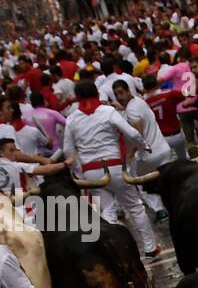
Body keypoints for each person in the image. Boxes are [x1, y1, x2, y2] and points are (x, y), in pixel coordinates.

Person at [63, 79, 158, 257]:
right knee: (135, 207)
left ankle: (117, 251)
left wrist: (80, 170)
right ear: (97, 94)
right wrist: (144, 145)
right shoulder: (107, 111)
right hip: (114, 166)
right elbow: (132, 133)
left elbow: (68, 151)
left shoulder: (72, 119)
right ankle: (150, 247)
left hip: (91, 172)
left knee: (107, 211)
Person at [113, 79, 173, 218]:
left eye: (121, 93)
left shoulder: (131, 110)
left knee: (142, 185)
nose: (119, 97)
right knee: (168, 181)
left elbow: (137, 135)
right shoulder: (140, 101)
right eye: (116, 95)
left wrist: (128, 155)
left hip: (148, 157)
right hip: (163, 149)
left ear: (128, 91)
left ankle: (160, 210)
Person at [0, 137, 69, 197]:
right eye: (11, 150)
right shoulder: (17, 166)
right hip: (23, 206)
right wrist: (66, 163)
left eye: (16, 150)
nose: (15, 153)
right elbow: (49, 170)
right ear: (1, 153)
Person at [142, 72, 188, 163]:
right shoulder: (169, 94)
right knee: (184, 160)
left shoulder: (143, 102)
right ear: (156, 83)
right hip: (177, 134)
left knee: (168, 164)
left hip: (160, 139)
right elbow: (185, 95)